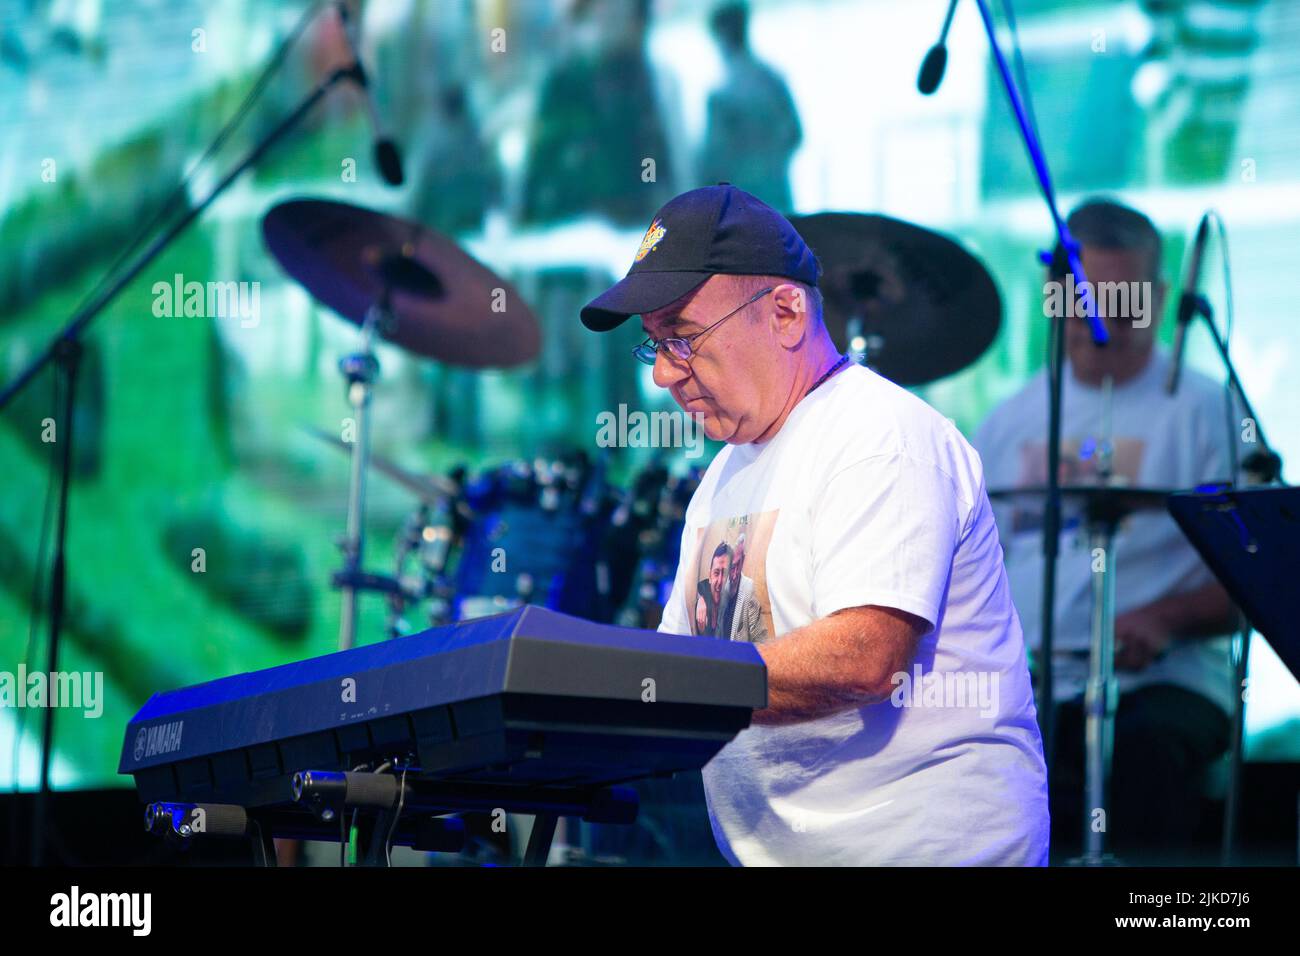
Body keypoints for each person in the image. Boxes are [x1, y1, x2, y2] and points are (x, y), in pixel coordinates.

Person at [580, 184, 1048, 865]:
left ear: (786, 312)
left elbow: (864, 656)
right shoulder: (723, 477)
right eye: (654, 347)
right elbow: (678, 670)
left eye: (682, 338)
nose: (664, 378)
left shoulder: (880, 434)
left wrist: (649, 688)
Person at [972, 198, 1245, 862]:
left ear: (1157, 296)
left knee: (1144, 750)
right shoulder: (1009, 421)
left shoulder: (1210, 410)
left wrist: (1168, 618)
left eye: (1129, 301)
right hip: (1033, 678)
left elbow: (1258, 576)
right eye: (1093, 301)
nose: (1109, 321)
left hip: (1166, 681)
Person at [697, 2, 802, 213]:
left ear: (719, 37)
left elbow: (710, 165)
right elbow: (795, 134)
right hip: (780, 203)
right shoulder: (772, 81)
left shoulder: (721, 96)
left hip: (744, 213)